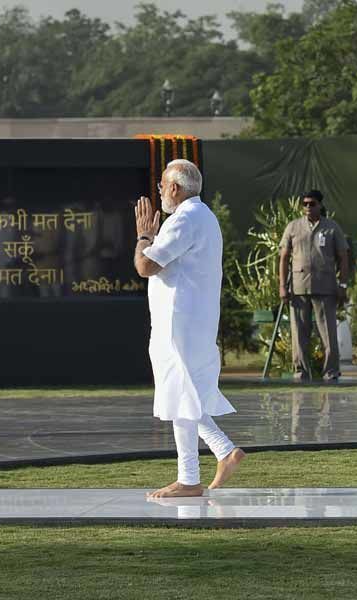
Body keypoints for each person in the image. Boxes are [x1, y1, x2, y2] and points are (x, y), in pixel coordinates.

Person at [134, 159, 245, 498]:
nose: (159, 192)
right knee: (186, 394)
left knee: (181, 394)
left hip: (178, 325)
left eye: (162, 186)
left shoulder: (184, 219)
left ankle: (189, 479)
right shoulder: (205, 217)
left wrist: (143, 237)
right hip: (194, 323)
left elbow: (145, 265)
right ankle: (224, 451)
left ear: (174, 188)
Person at [278, 191, 351, 382]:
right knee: (299, 334)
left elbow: (343, 257)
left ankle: (331, 371)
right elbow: (284, 257)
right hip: (299, 287)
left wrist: (343, 284)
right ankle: (300, 371)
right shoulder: (293, 226)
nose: (308, 207)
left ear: (320, 205)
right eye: (305, 204)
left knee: (328, 334)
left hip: (325, 286)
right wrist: (282, 286)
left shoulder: (332, 227)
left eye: (312, 204)